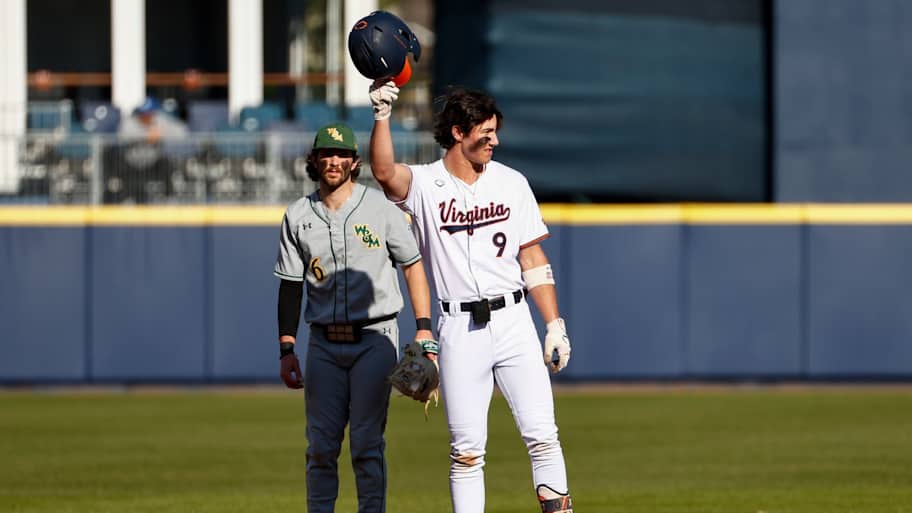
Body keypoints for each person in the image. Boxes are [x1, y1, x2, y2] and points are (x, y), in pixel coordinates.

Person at [367, 82, 574, 513]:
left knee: (543, 434)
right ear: (459, 132)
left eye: (496, 131)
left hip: (513, 319)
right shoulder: (425, 183)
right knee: (465, 449)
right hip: (459, 327)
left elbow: (532, 256)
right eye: (486, 132)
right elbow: (385, 172)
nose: (495, 140)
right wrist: (382, 115)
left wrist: (553, 324)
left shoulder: (511, 182)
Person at [273, 122, 435, 513]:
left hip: (374, 338)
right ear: (313, 160)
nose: (334, 160)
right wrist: (287, 348)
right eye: (326, 153)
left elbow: (413, 265)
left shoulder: (380, 208)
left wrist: (425, 330)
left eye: (342, 154)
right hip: (324, 343)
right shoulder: (298, 215)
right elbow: (291, 285)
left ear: (355, 162)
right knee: (322, 446)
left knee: (366, 443)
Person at [118, 96, 187, 144]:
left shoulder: (160, 119)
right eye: (143, 113)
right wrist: (146, 137)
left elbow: (182, 131)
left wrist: (163, 135)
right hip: (132, 161)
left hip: (156, 161)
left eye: (149, 113)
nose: (146, 116)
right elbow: (122, 136)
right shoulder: (130, 122)